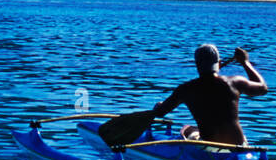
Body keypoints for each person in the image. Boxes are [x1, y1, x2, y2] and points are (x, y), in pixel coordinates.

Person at [98, 44, 267, 148]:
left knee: (187, 130)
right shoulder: (235, 82)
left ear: (197, 65)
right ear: (219, 63)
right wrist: (245, 62)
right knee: (194, 130)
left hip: (210, 148)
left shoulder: (186, 89)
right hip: (240, 146)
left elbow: (160, 112)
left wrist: (157, 107)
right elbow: (262, 88)